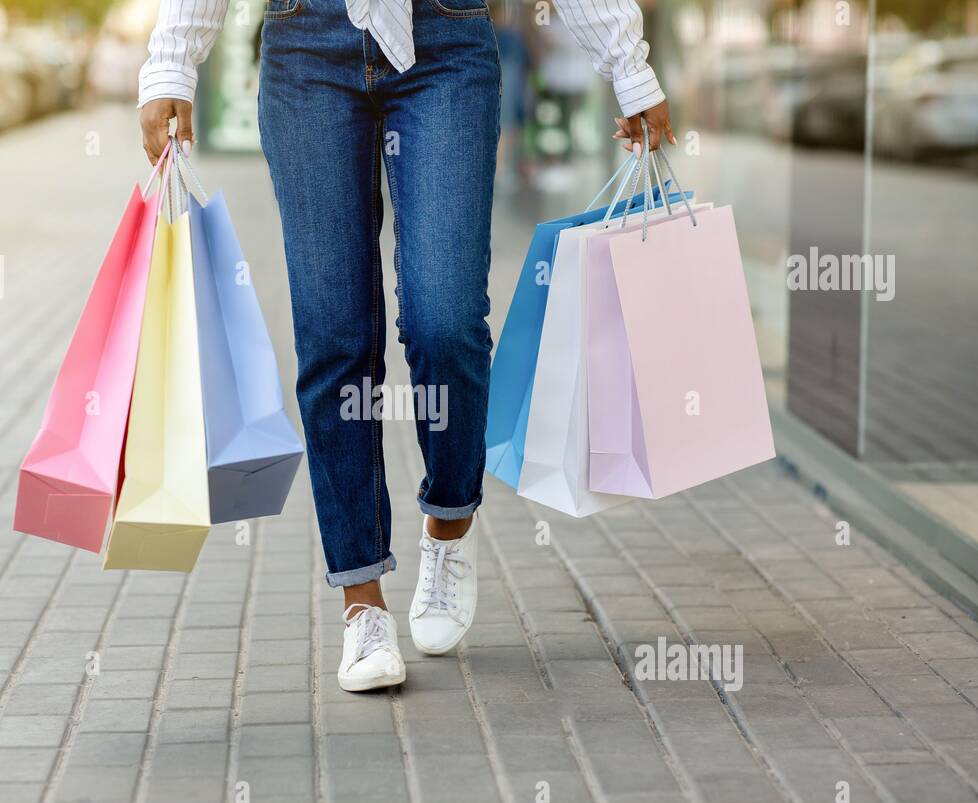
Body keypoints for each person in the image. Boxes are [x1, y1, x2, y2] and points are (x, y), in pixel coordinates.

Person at [138, 0, 674, 692]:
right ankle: (361, 599)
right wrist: (171, 60)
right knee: (334, 334)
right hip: (307, 49)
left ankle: (448, 526)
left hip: (445, 41)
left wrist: (629, 66)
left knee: (444, 319)